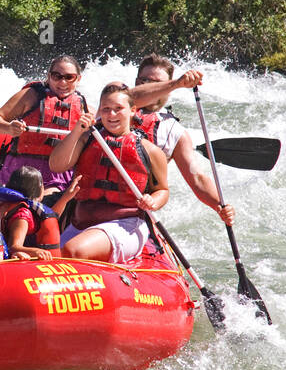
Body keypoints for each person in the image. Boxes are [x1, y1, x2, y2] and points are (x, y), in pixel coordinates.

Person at [48, 83, 169, 264]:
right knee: (48, 258)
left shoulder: (150, 151)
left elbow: (162, 190)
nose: (111, 115)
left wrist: (153, 201)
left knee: (73, 250)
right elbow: (56, 165)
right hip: (81, 221)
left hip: (125, 225)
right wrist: (76, 131)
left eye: (118, 109)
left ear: (132, 111)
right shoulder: (87, 139)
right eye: (106, 109)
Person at [126, 54, 235, 226]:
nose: (153, 88)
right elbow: (130, 98)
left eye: (159, 84)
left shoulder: (175, 132)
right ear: (136, 82)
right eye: (145, 82)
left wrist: (219, 206)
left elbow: (197, 178)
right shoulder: (115, 109)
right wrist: (176, 84)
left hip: (140, 207)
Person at [0, 54, 89, 198]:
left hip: (57, 175)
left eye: (69, 77)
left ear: (78, 78)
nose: (63, 82)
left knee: (43, 208)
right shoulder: (31, 95)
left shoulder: (84, 106)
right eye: (56, 76)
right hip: (21, 169)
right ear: (49, 76)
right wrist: (9, 128)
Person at [0, 167, 64, 261]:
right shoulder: (23, 214)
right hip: (19, 261)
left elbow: (51, 218)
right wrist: (36, 251)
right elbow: (13, 247)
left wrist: (67, 196)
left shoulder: (6, 205)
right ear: (38, 189)